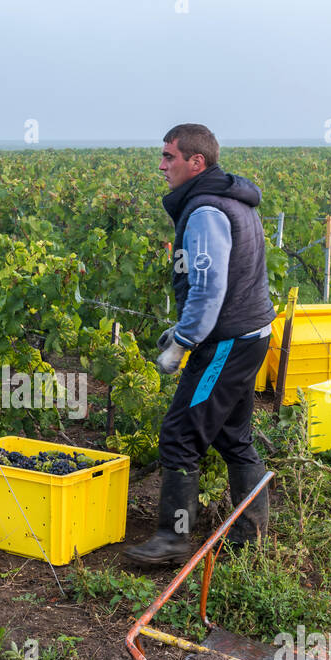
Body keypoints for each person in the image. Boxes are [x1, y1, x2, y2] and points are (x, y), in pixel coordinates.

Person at [123, 124, 275, 566]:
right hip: (248, 334)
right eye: (163, 155)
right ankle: (251, 539)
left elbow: (209, 287)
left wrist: (182, 343)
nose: (162, 165)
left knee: (180, 434)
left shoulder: (206, 211)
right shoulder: (232, 200)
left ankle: (173, 541)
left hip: (226, 342)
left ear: (197, 163)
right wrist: (183, 327)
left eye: (170, 156)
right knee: (233, 436)